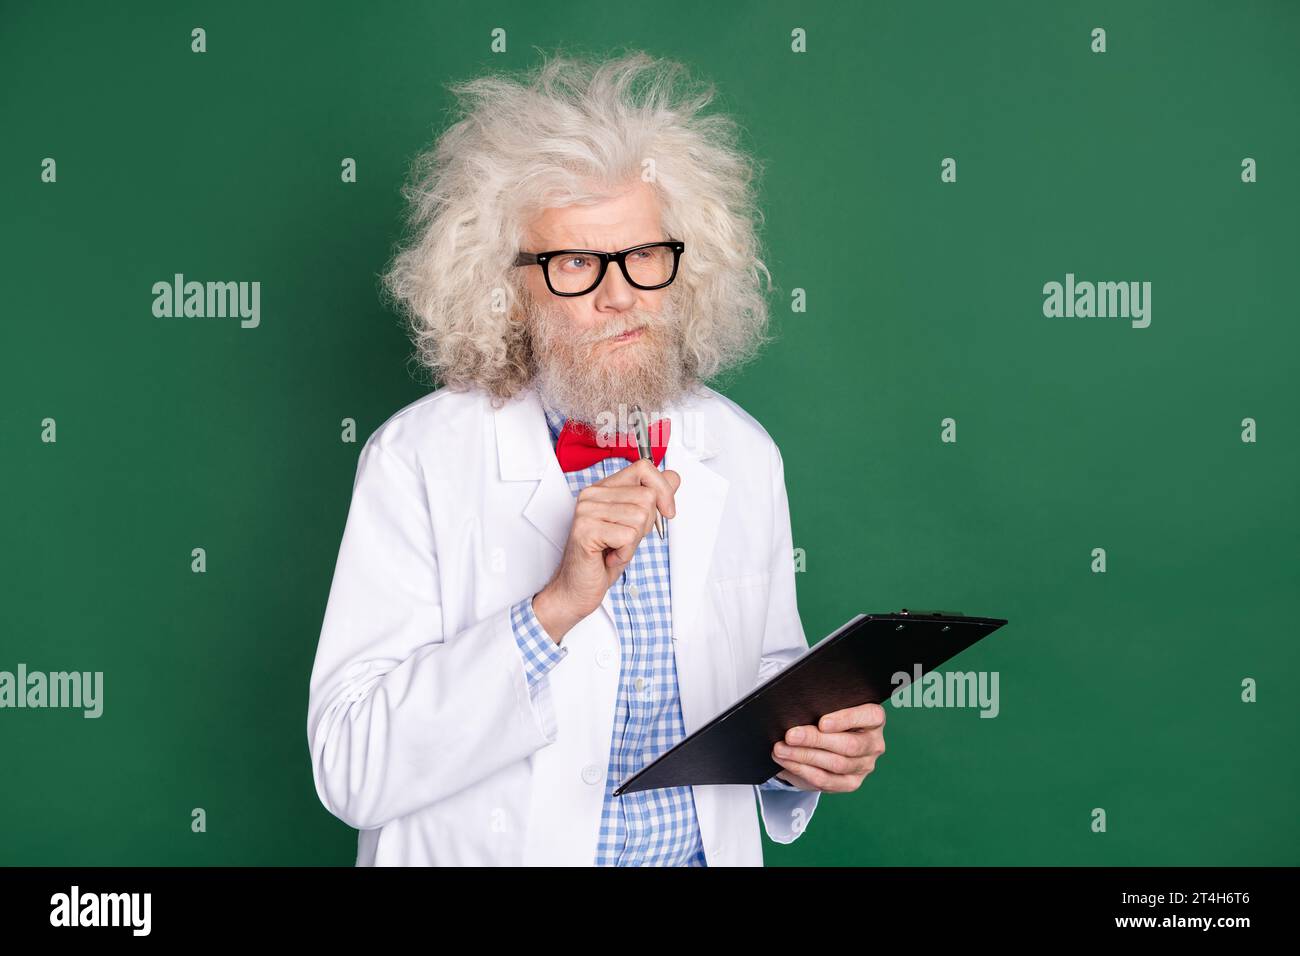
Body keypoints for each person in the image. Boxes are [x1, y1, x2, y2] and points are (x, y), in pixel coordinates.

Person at [306, 51, 886, 867]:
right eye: (576, 263)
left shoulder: (740, 451)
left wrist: (808, 759)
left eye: (645, 254)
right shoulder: (419, 458)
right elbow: (350, 765)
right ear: (506, 288)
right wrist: (554, 608)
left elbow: (763, 692)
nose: (620, 295)